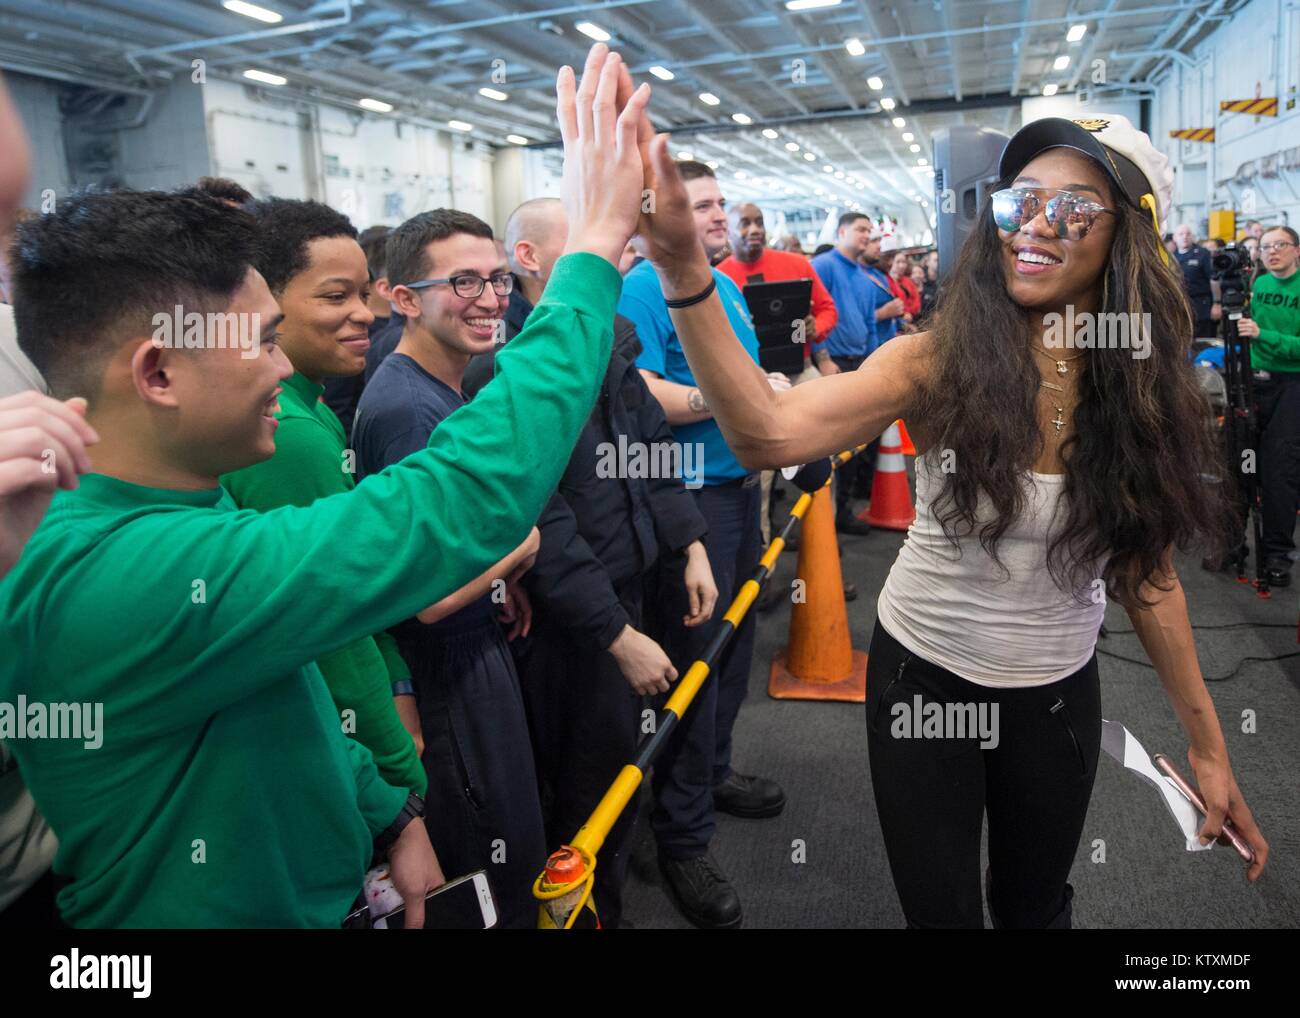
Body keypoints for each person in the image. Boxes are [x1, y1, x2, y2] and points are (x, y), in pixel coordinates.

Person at [0, 42, 657, 927]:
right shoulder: (128, 570)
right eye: (260, 342)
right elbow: (456, 504)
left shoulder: (190, 498)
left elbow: (292, 683)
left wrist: (390, 814)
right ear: (157, 373)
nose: (283, 368)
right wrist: (594, 252)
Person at [629, 112, 1269, 927]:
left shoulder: (1138, 389)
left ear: (1128, 240)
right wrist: (684, 269)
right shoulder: (937, 359)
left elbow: (1147, 575)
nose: (1036, 226)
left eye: (1074, 209)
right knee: (944, 915)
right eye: (1021, 202)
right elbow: (768, 434)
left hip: (1055, 693)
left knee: (1036, 907)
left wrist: (1210, 750)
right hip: (923, 677)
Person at [464, 196, 715, 929]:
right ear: (534, 260)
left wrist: (690, 543)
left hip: (636, 584)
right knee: (580, 784)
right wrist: (614, 633)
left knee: (621, 762)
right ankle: (583, 914)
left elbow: (650, 447)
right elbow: (542, 517)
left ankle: (609, 886)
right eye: (591, 239)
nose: (618, 250)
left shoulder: (609, 340)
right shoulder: (505, 372)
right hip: (575, 624)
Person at [618, 159, 785, 930]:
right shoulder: (646, 285)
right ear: (663, 215)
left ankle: (711, 776)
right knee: (694, 668)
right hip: (685, 501)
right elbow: (640, 391)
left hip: (736, 490)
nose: (717, 216)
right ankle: (681, 835)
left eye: (720, 202)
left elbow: (744, 376)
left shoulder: (723, 289)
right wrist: (723, 399)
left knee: (733, 655)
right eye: (700, 205)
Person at [219, 199, 426, 797]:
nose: (365, 314)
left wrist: (399, 688)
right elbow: (334, 621)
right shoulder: (288, 430)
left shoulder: (307, 406)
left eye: (365, 293)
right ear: (263, 301)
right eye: (336, 297)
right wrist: (401, 781)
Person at [812, 214, 901, 534]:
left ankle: (843, 509)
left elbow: (868, 325)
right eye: (861, 230)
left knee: (856, 440)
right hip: (835, 362)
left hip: (861, 361)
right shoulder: (823, 265)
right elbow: (811, 314)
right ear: (842, 232)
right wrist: (820, 357)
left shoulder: (865, 276)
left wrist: (876, 361)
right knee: (836, 443)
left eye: (870, 231)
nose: (867, 236)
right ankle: (830, 515)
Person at [1237, 225, 1300, 587]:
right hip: (1254, 379)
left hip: (1291, 384)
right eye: (1265, 246)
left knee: (1279, 471)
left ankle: (1278, 553)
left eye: (1280, 245)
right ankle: (1235, 543)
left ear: (1296, 250)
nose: (1271, 251)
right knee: (1243, 463)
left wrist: (1265, 337)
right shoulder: (1259, 285)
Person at [322, 223, 394, 436]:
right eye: (336, 296)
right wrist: (353, 463)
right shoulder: (352, 332)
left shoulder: (402, 327)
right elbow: (339, 405)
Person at [1172, 224, 1220, 338]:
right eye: (1181, 234)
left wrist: (1217, 303)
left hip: (1202, 306)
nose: (1185, 237)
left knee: (1203, 344)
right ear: (1175, 238)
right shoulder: (1172, 257)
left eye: (1188, 234)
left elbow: (1214, 279)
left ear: (1192, 236)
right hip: (1181, 309)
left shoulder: (1203, 254)